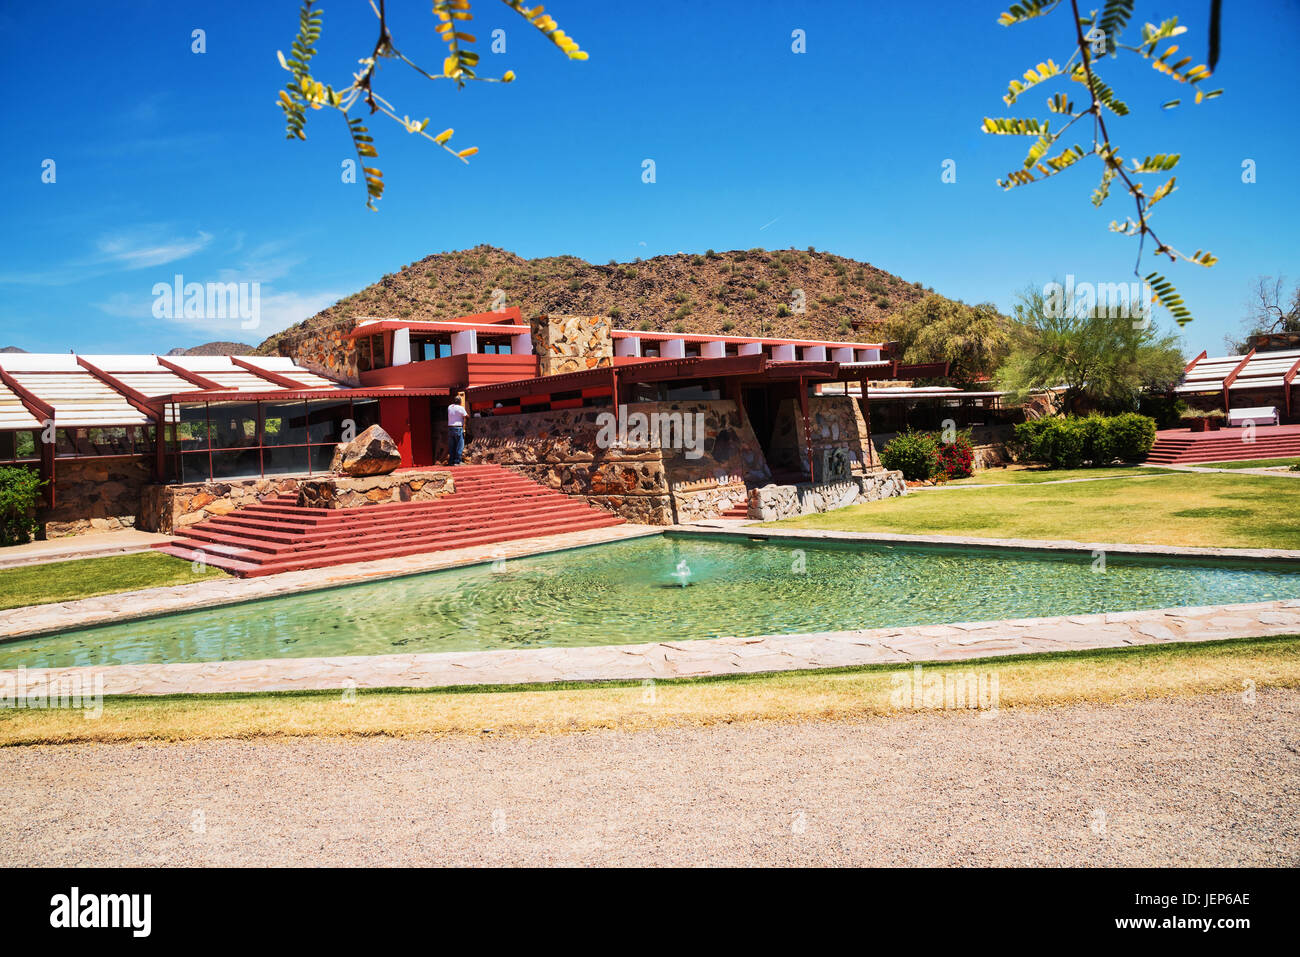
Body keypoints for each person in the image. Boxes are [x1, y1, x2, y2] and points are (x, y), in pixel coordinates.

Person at [447, 393, 468, 465]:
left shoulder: (449, 407)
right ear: (460, 402)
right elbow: (466, 416)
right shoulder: (461, 408)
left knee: (452, 445)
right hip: (458, 428)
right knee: (460, 445)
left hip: (450, 428)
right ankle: (457, 461)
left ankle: (451, 461)